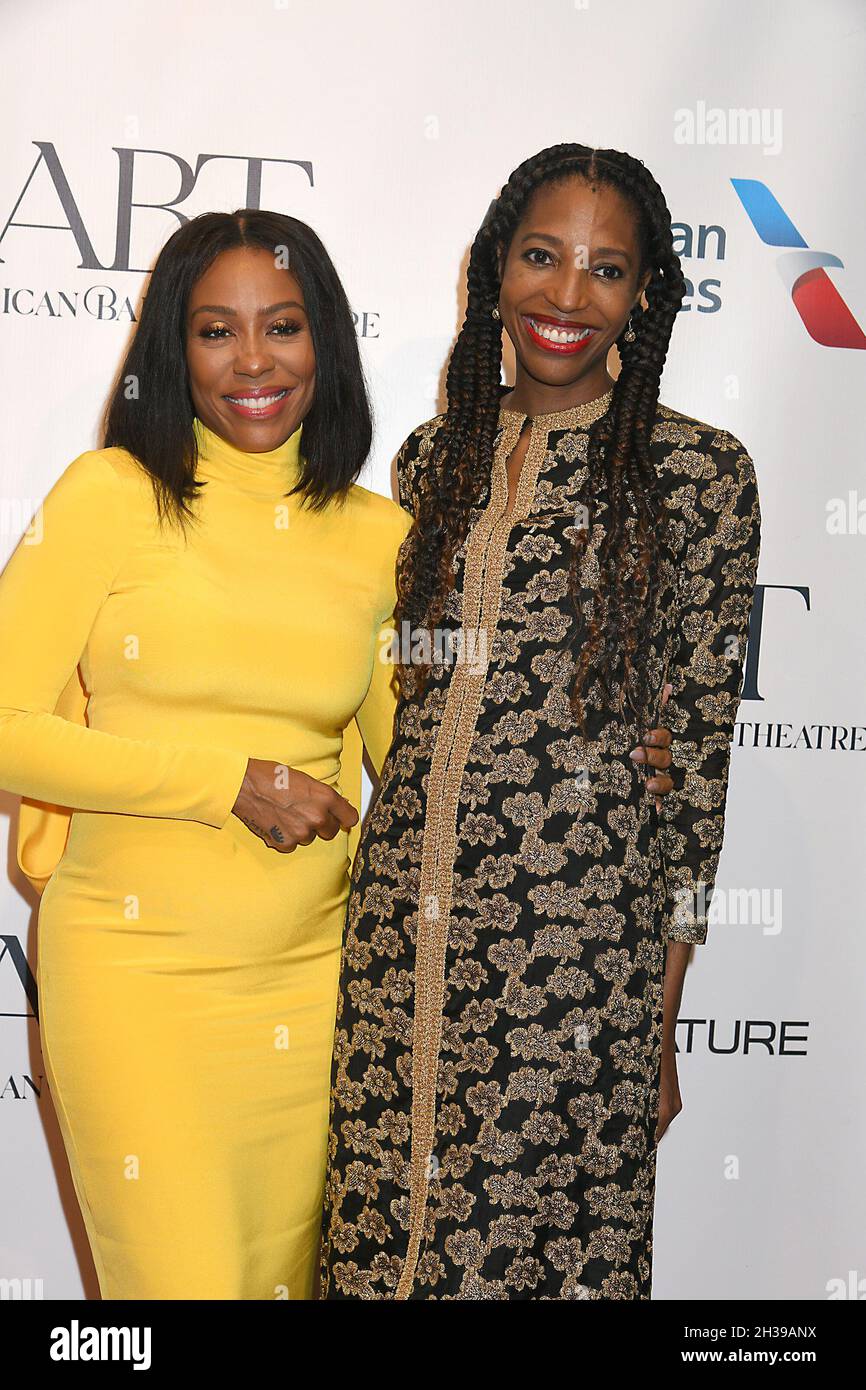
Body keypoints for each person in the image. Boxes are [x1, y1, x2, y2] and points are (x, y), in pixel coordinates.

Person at [320, 143, 761, 1300]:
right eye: (540, 257)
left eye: (605, 269)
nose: (566, 296)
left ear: (645, 296)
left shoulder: (698, 474)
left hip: (574, 955)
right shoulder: (428, 463)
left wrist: (658, 1019)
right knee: (382, 1231)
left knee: (540, 1256)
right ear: (489, 273)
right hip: (399, 934)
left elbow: (698, 768)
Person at [0, 209, 413, 1299]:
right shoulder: (110, 496)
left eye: (281, 326)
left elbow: (417, 765)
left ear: (323, 339)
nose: (252, 362)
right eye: (214, 331)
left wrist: (595, 757)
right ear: (171, 352)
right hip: (136, 981)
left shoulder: (378, 534)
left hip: (310, 989)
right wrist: (223, 781)